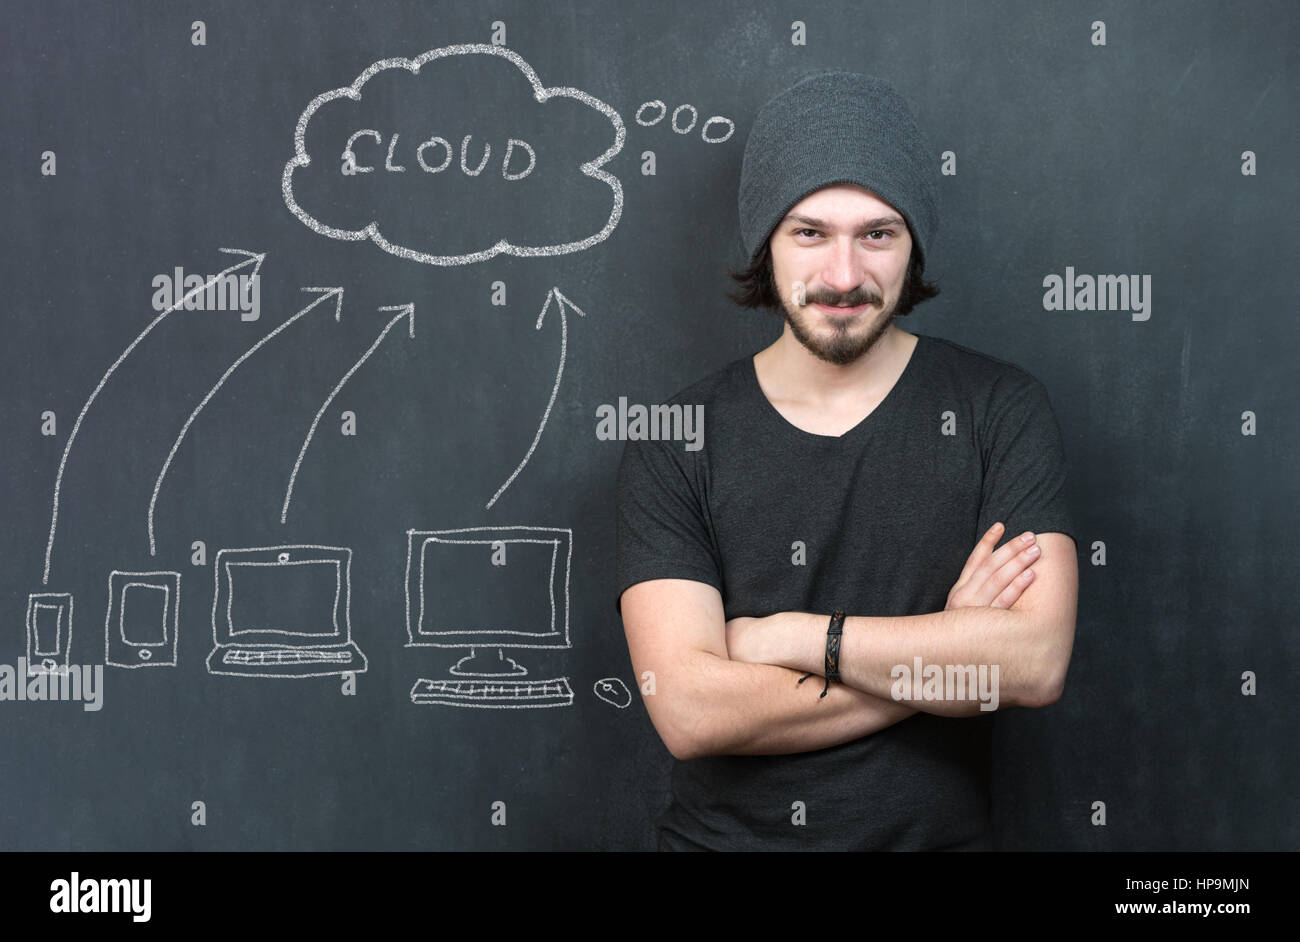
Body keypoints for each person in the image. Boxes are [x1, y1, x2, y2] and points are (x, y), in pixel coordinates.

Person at [614, 71, 1079, 851]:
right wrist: (946, 656)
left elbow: (1032, 664)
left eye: (877, 233)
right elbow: (690, 713)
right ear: (765, 239)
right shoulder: (674, 435)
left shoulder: (999, 408)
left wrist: (799, 637)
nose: (842, 276)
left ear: (913, 243)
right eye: (810, 232)